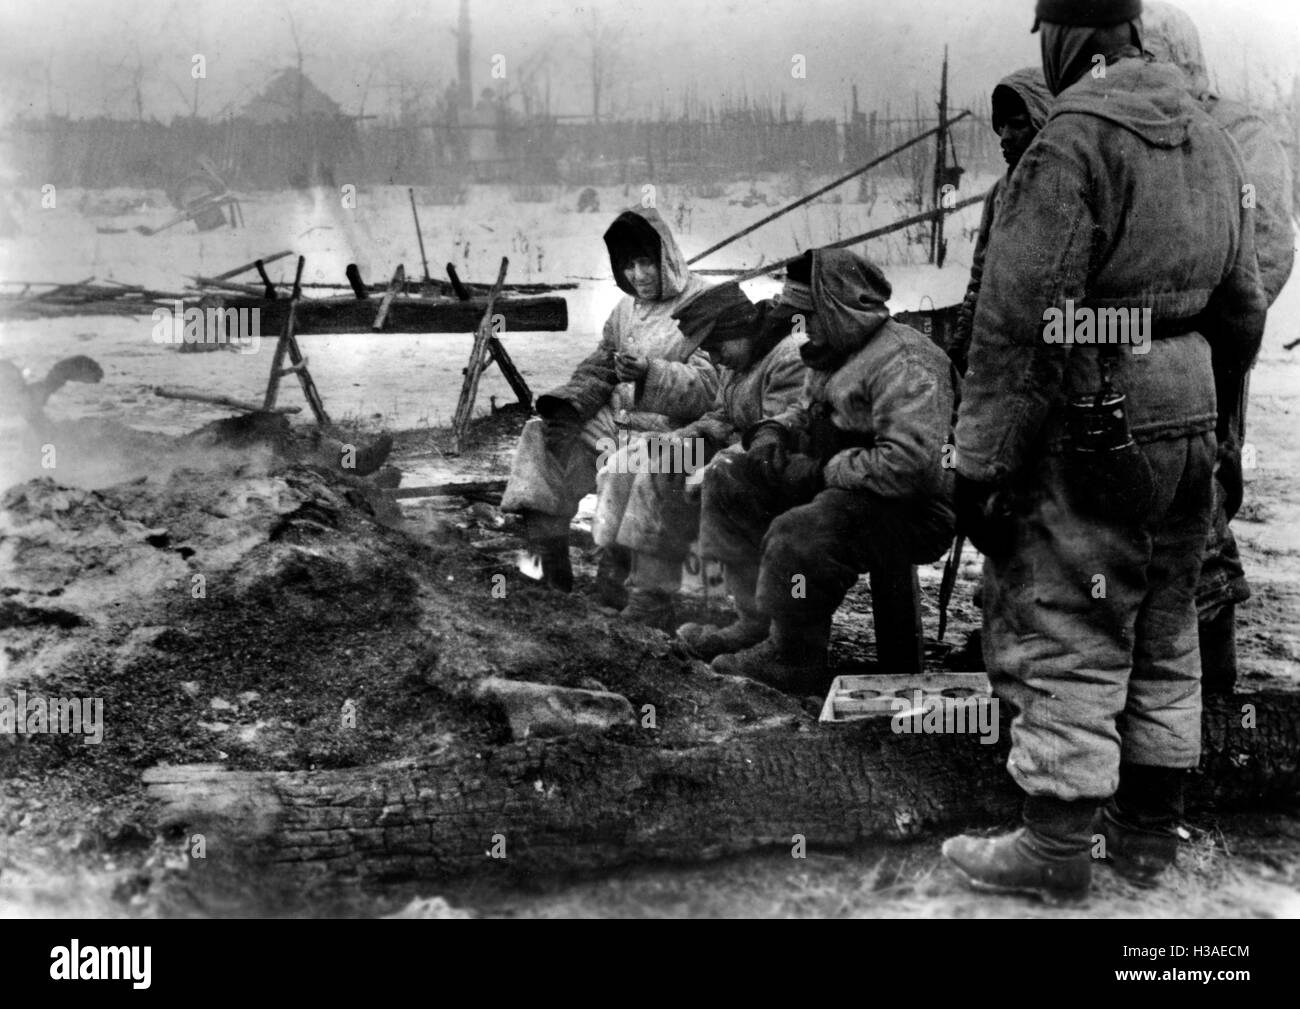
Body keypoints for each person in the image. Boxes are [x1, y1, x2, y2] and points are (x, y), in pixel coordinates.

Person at [942, 0, 1267, 903]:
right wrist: (1224, 432)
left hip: (1096, 413)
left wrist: (980, 464)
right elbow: (1241, 307)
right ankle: (1149, 836)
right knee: (1166, 628)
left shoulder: (1070, 145)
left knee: (1070, 622)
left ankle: (1053, 845)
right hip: (1191, 417)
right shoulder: (1211, 138)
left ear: (1067, 36)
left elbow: (1021, 324)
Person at [696, 248, 955, 694]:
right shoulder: (834, 351)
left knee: (801, 532)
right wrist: (774, 431)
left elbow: (910, 466)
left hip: (911, 509)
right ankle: (757, 623)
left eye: (810, 316)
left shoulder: (908, 362)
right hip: (840, 489)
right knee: (729, 478)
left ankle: (794, 655)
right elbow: (808, 409)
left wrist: (818, 473)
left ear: (839, 308)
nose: (803, 328)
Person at [1142, 0, 1297, 695]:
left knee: (1203, 505)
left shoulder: (1241, 132)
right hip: (1136, 355)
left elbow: (1269, 244)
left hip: (1210, 354)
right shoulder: (1140, 131)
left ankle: (1217, 700)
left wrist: (1210, 333)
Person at [500, 206, 718, 591]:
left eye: (646, 262)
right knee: (539, 438)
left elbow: (710, 388)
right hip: (617, 427)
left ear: (665, 256)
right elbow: (599, 366)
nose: (639, 276)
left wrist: (650, 372)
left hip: (672, 436)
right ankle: (547, 569)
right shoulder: (625, 308)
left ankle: (615, 584)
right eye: (628, 266)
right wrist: (569, 409)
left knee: (625, 467)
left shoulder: (702, 302)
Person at [590, 281, 806, 630]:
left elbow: (780, 436)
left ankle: (650, 601)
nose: (716, 359)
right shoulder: (740, 357)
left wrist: (698, 457)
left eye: (717, 348)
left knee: (664, 472)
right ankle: (621, 585)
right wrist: (673, 439)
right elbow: (720, 416)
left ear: (738, 329)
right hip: (731, 453)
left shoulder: (788, 357)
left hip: (766, 469)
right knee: (637, 459)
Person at [949, 67, 1054, 376]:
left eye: (1018, 125)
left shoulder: (1070, 192)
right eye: (1001, 126)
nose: (1005, 137)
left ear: (1044, 125)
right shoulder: (999, 193)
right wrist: (961, 342)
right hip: (1001, 347)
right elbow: (980, 278)